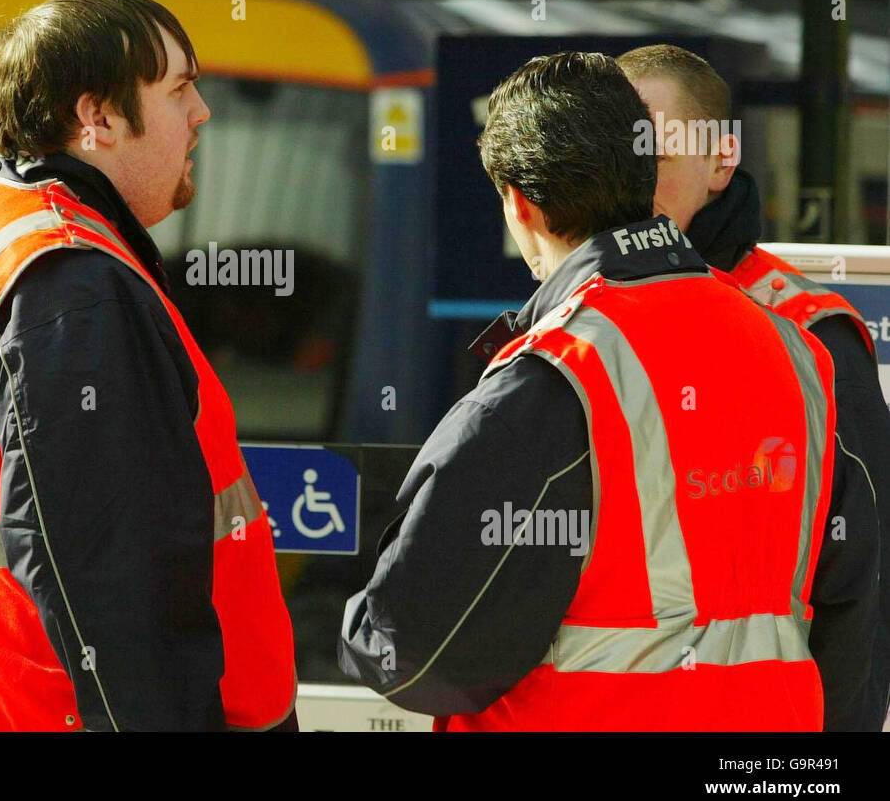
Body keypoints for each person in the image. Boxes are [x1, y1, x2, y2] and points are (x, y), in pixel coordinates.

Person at [338, 51, 880, 731]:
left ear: (519, 202)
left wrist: (357, 622)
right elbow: (857, 601)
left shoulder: (555, 374)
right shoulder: (798, 348)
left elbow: (412, 650)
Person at [0, 0, 297, 731]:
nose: (202, 113)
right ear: (95, 117)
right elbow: (111, 576)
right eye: (179, 88)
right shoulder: (72, 281)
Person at [617, 43, 890, 730]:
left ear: (721, 159)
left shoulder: (809, 333)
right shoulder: (580, 320)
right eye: (612, 158)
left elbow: (863, 585)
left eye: (654, 156)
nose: (627, 182)